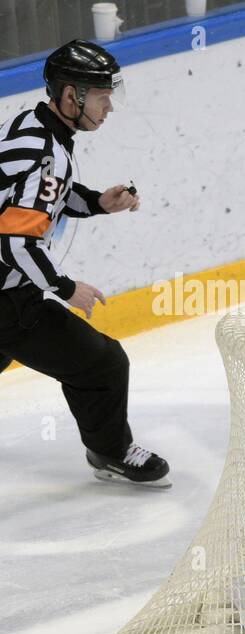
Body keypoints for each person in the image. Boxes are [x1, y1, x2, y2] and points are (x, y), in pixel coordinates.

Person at [0, 39, 168, 486]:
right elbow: (16, 244)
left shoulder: (29, 125)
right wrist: (66, 287)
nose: (109, 106)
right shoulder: (45, 154)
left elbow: (42, 196)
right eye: (102, 96)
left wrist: (95, 202)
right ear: (72, 96)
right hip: (9, 303)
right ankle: (111, 451)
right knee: (103, 364)